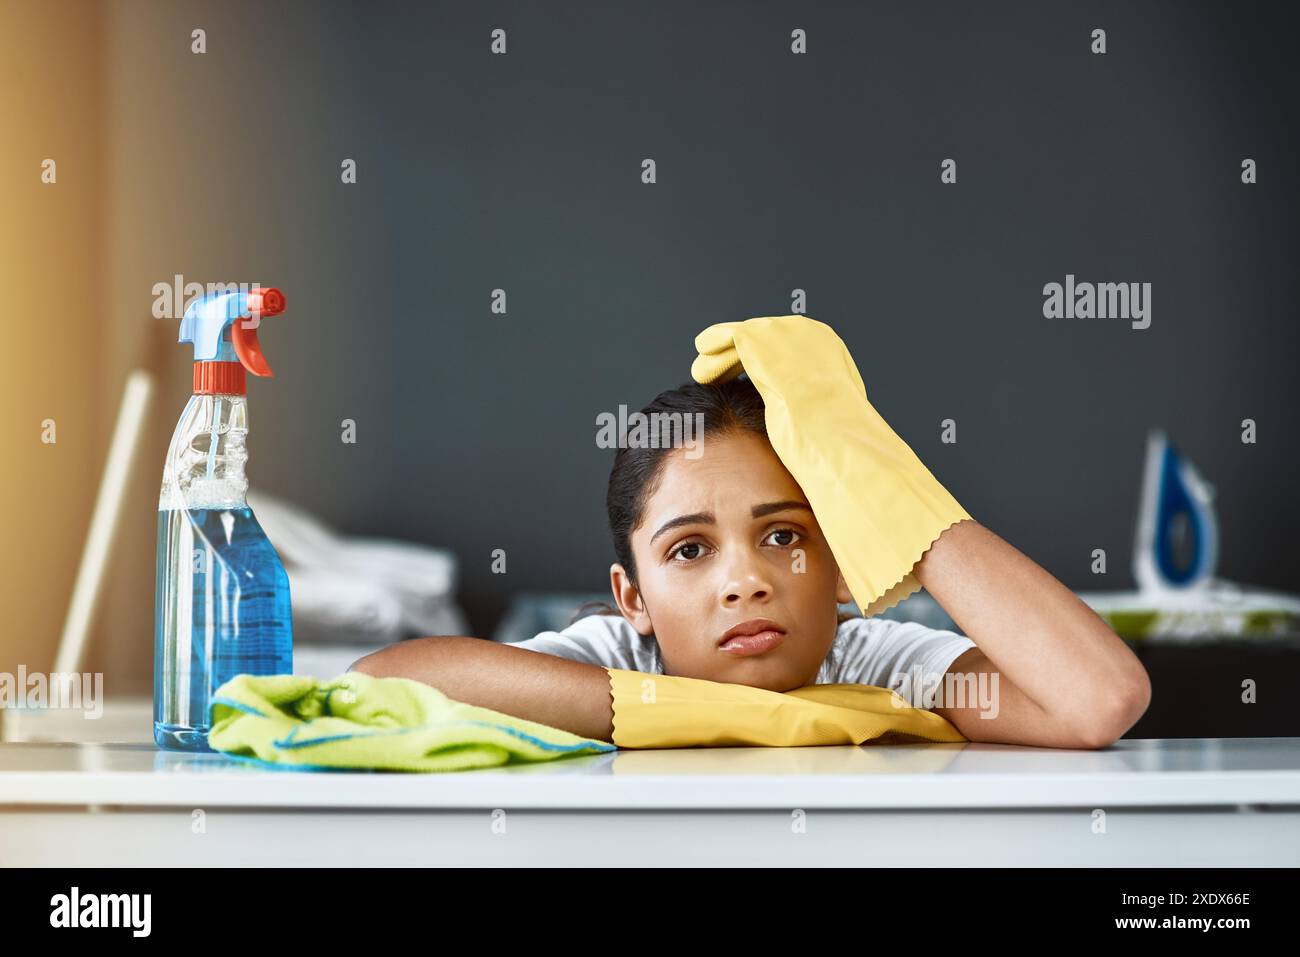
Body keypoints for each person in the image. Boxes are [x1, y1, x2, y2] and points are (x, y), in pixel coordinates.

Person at [352, 376, 1151, 749]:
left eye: (785, 536)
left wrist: (886, 492)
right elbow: (376, 680)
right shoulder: (622, 650)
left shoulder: (872, 656)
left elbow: (1100, 699)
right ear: (632, 598)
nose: (746, 579)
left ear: (842, 567)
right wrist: (711, 712)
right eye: (690, 549)